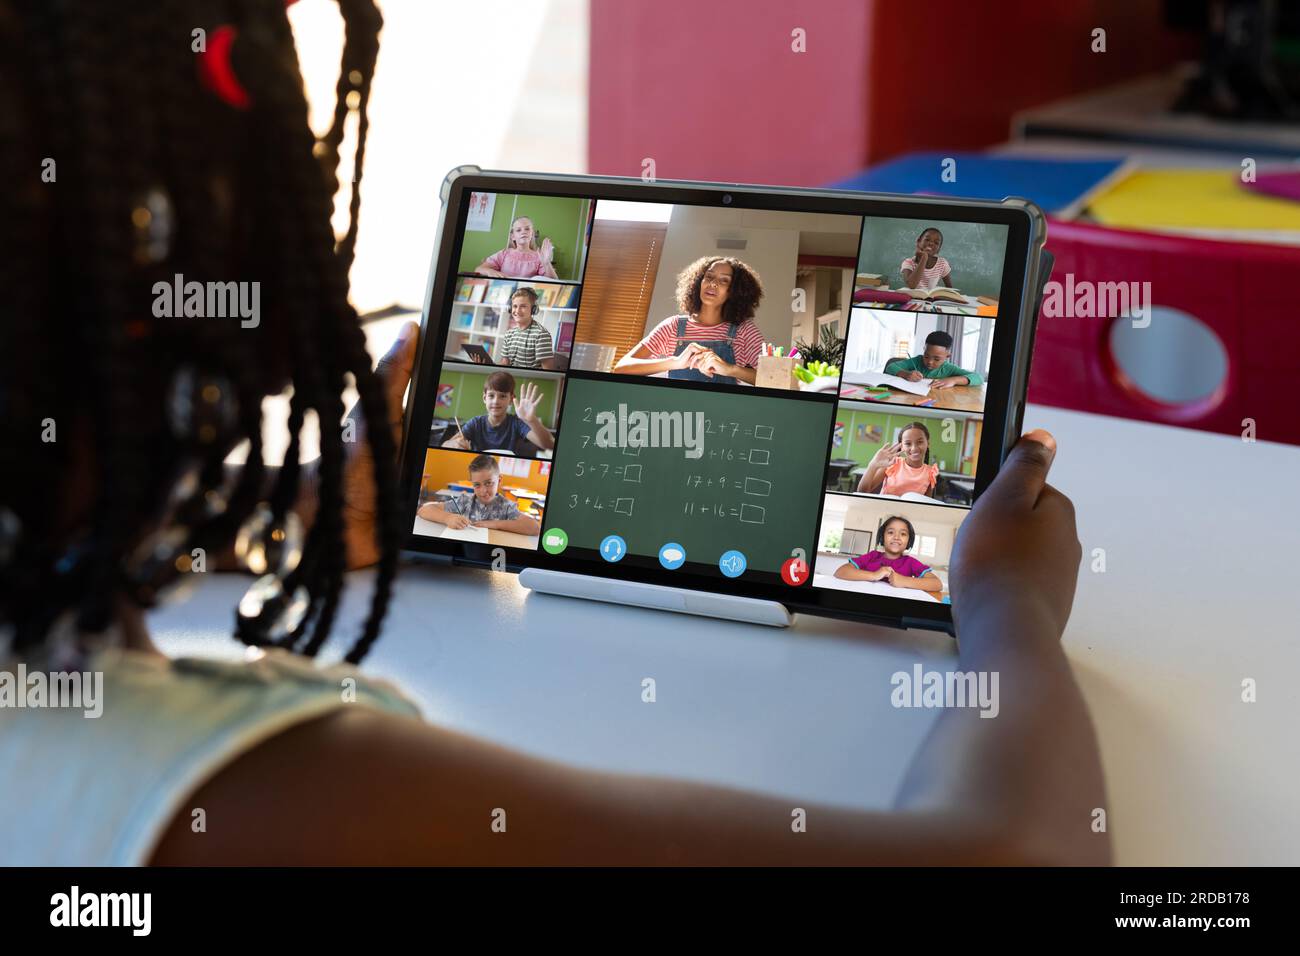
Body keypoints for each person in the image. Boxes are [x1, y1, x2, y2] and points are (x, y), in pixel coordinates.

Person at [0, 0, 1109, 865]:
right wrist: (1009, 608)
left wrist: (289, 517)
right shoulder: (238, 803)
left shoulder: (759, 340)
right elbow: (1014, 856)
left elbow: (776, 376)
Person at [613, 257, 765, 386]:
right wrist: (676, 362)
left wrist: (730, 369)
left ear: (735, 291)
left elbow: (775, 379)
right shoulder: (673, 326)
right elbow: (621, 368)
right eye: (709, 276)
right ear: (699, 282)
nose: (713, 284)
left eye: (724, 281)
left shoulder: (744, 330)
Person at [417, 454, 540, 536]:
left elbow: (534, 527)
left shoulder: (506, 506)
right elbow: (424, 510)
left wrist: (494, 524)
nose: (483, 491)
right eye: (477, 485)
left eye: (489, 483)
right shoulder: (465, 501)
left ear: (500, 480)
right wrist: (447, 518)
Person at [441, 371, 555, 454]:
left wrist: (532, 420)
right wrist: (454, 445)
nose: (496, 401)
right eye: (491, 395)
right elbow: (445, 445)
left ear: (511, 399)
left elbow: (549, 445)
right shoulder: (476, 423)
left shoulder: (516, 423)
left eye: (503, 396)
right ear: (485, 398)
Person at [834, 516, 942, 594]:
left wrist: (904, 581)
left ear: (909, 541)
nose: (896, 537)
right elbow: (840, 572)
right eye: (891, 532)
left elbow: (937, 584)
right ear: (882, 537)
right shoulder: (872, 556)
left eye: (903, 534)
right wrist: (874, 575)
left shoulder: (910, 562)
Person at [858, 423, 940, 496]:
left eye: (919, 442)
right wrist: (873, 465)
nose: (914, 448)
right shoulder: (892, 464)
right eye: (908, 443)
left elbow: (926, 504)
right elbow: (862, 492)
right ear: (902, 446)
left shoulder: (931, 473)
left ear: (928, 444)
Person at [885, 330, 983, 389]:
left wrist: (954, 380)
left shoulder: (950, 368)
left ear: (947, 356)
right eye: (926, 356)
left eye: (937, 359)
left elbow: (979, 378)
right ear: (924, 350)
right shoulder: (917, 360)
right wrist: (906, 374)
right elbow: (891, 367)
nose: (930, 362)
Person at [474, 216, 560, 279]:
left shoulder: (538, 257)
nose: (523, 232)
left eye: (527, 229)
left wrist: (546, 263)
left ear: (532, 234)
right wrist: (490, 271)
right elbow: (479, 269)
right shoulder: (504, 254)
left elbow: (554, 281)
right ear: (513, 236)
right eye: (518, 230)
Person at [489, 287, 556, 369]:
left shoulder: (541, 335)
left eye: (523, 306)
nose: (517, 311)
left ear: (533, 309)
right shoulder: (509, 334)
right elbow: (505, 363)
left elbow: (548, 371)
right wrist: (486, 364)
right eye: (515, 306)